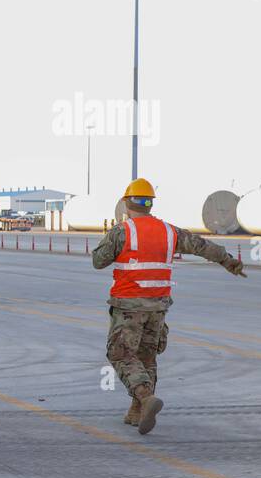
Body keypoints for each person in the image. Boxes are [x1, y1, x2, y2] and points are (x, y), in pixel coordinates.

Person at [91, 179, 246, 434]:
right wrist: (229, 262)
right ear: (150, 203)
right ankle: (137, 411)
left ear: (127, 202)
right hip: (158, 307)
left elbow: (98, 261)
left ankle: (144, 397)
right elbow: (203, 246)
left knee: (120, 354)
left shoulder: (122, 231)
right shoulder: (169, 231)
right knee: (146, 356)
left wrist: (113, 242)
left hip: (129, 305)